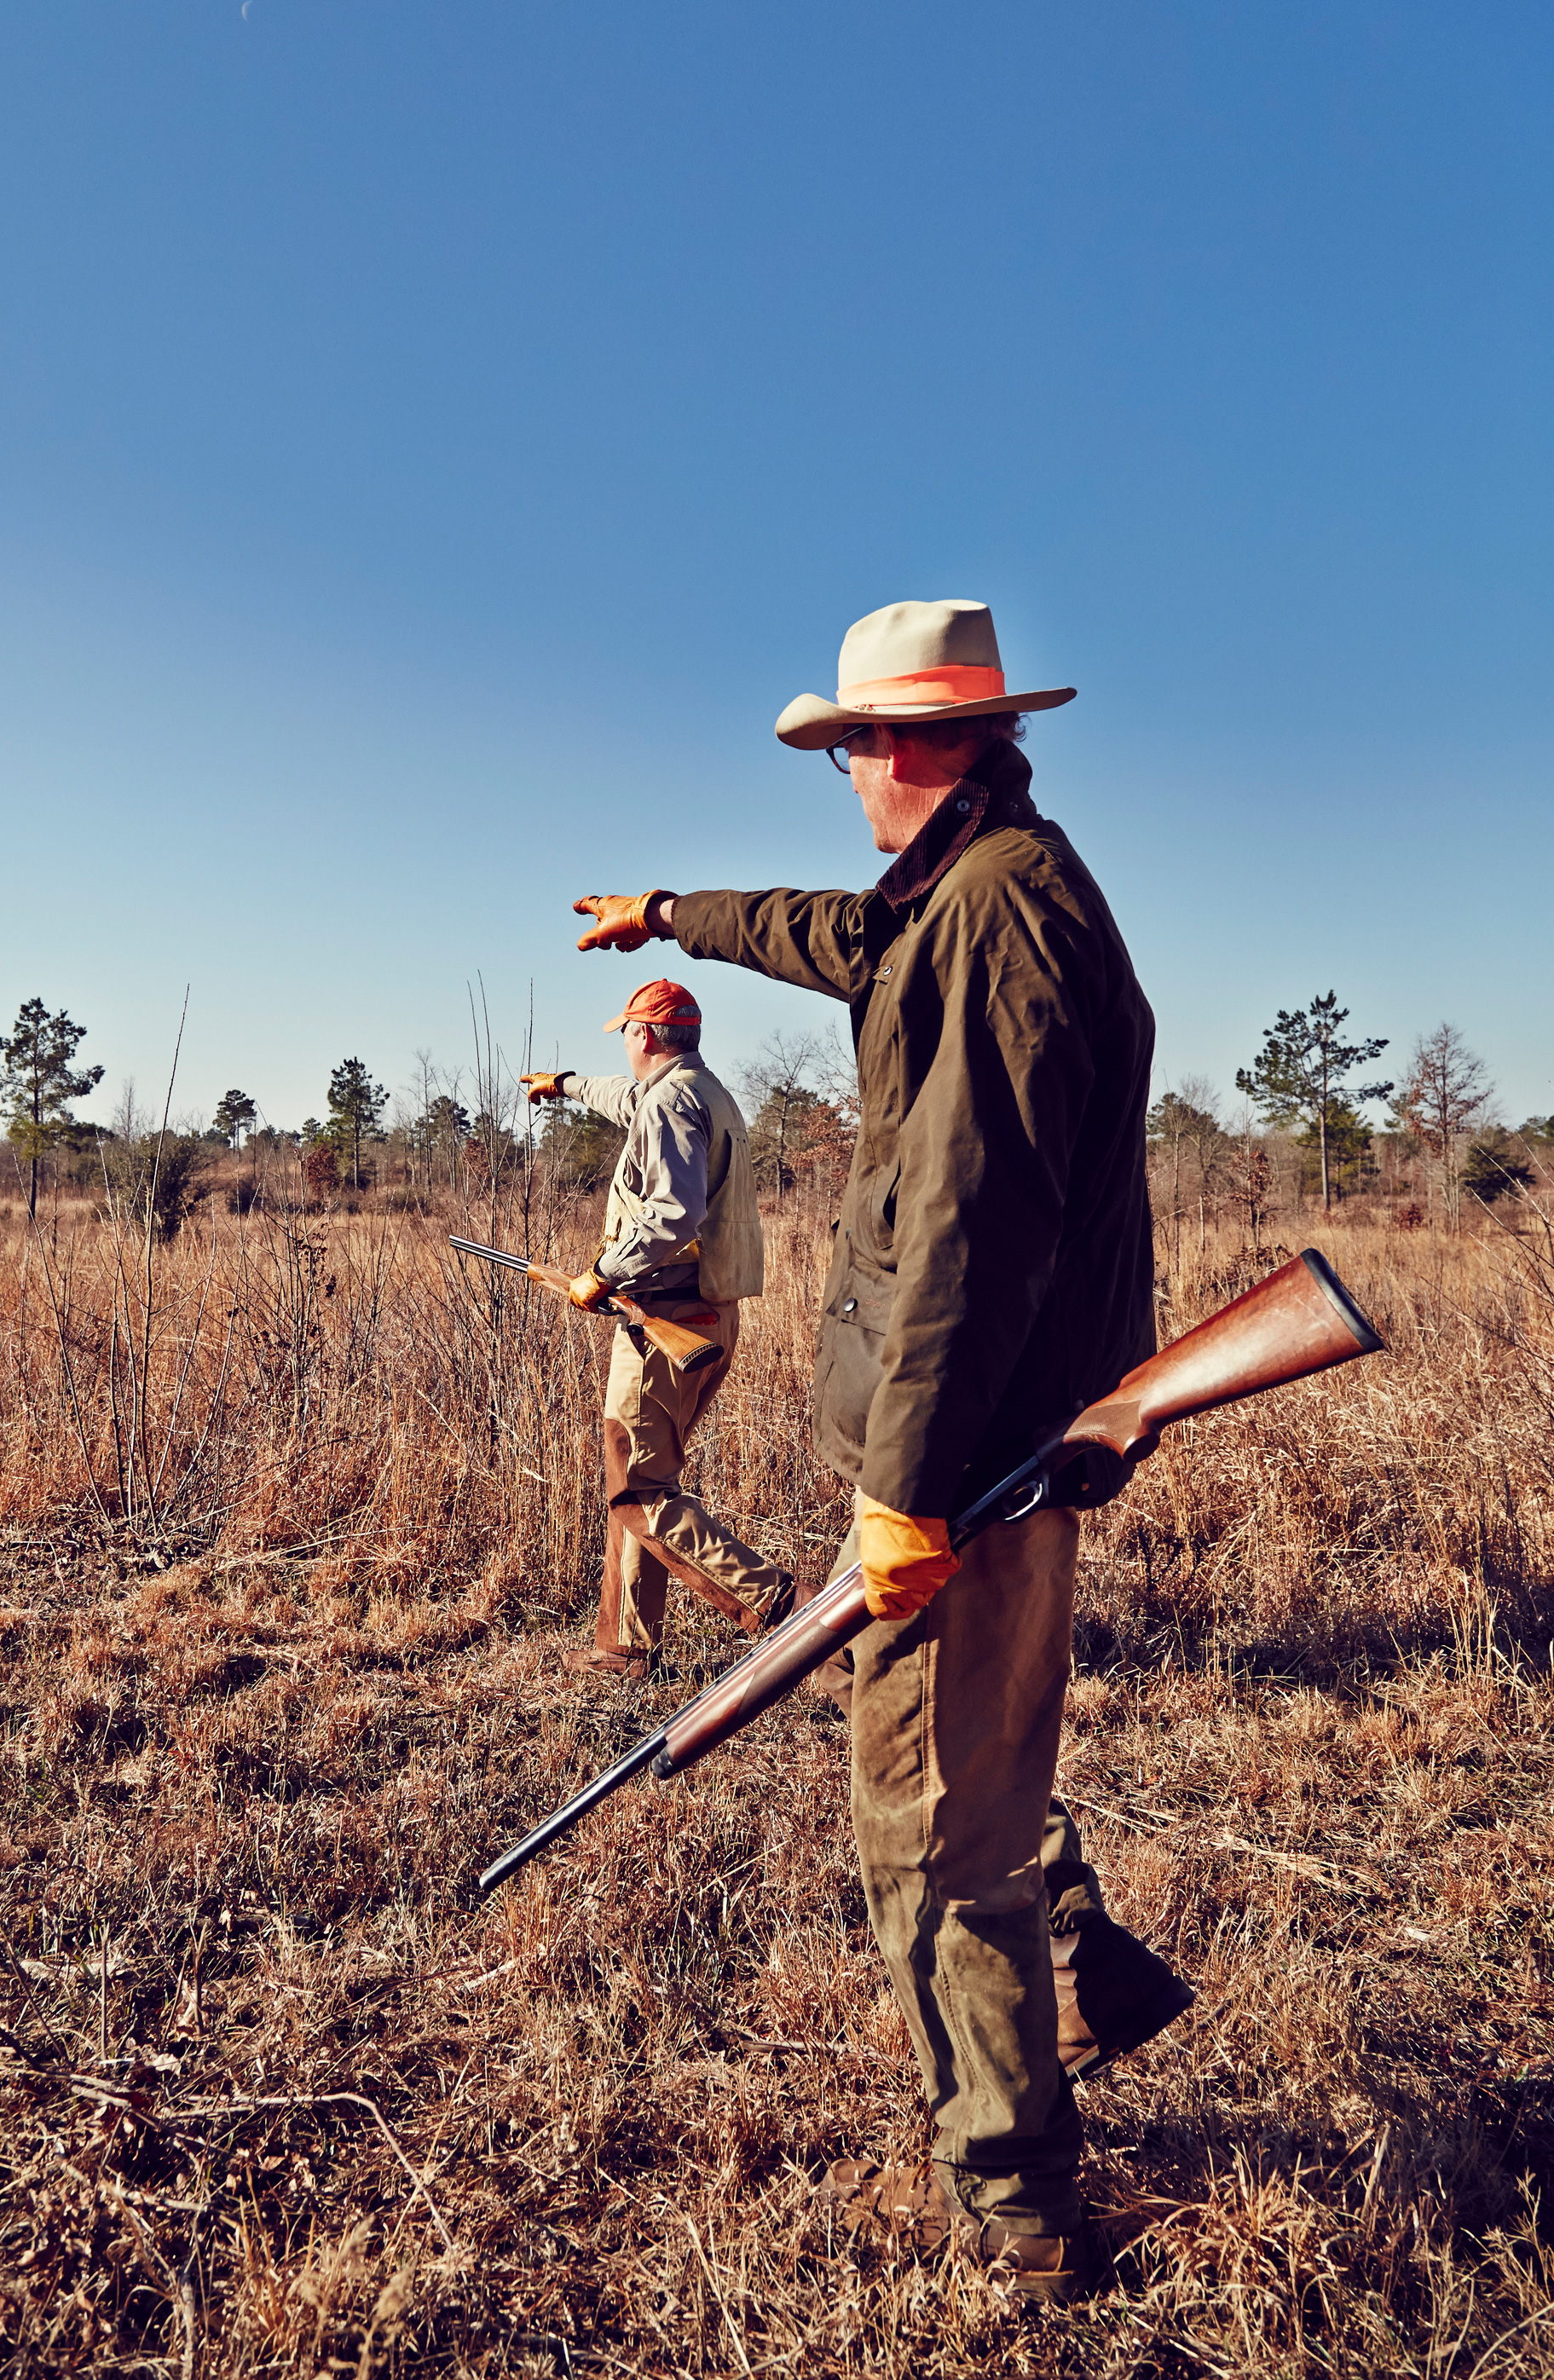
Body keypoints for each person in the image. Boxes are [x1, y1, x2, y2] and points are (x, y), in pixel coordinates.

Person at [568, 598, 1191, 2302]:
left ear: (911, 744)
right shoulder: (977, 888)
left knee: (924, 1835)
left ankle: (1018, 2209)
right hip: (994, 1442)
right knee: (977, 1778)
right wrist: (673, 918)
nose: (841, 773)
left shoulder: (993, 919)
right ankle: (1092, 1977)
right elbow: (831, 932)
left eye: (850, 745)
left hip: (963, 1457)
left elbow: (959, 1232)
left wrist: (899, 1489)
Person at [520, 977, 809, 1678]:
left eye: (626, 1032)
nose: (623, 1045)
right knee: (645, 1475)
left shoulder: (672, 1099)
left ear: (644, 1036)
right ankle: (624, 1648)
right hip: (703, 1313)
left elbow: (672, 1212)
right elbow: (626, 1100)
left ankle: (786, 1611)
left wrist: (603, 1273)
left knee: (639, 1490)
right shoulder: (697, 1090)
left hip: (666, 1321)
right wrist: (563, 1084)